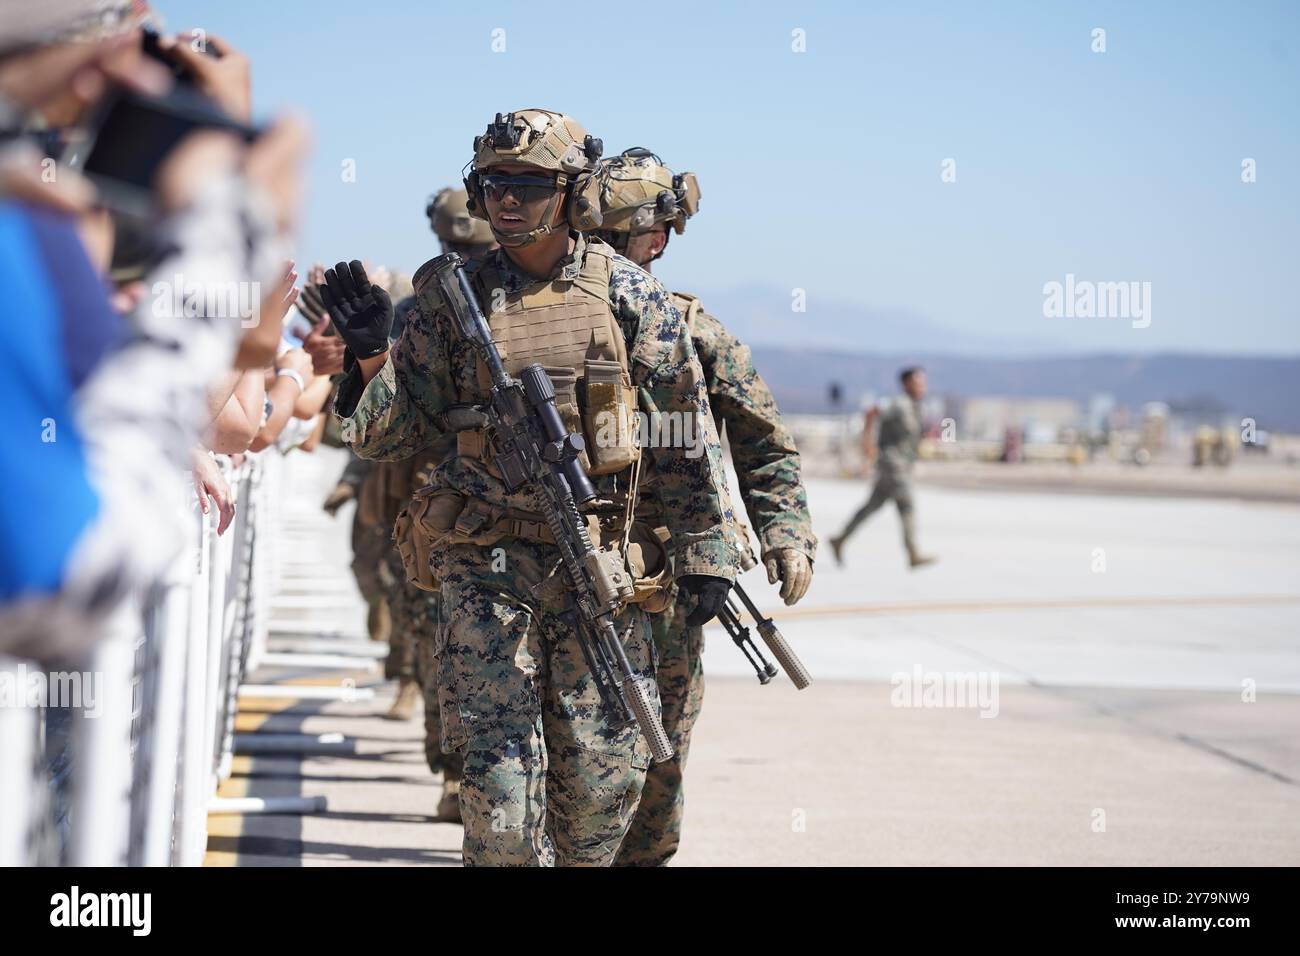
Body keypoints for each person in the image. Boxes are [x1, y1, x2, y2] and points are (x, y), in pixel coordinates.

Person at [324, 108, 737, 866]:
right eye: (494, 184)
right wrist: (369, 359)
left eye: (528, 184)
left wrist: (707, 552)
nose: (507, 200)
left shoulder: (631, 298)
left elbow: (683, 433)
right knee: (502, 812)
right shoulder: (451, 300)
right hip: (486, 570)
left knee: (596, 805)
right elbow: (388, 434)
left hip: (601, 570)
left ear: (571, 192)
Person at [591, 147, 815, 865]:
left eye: (615, 237)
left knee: (661, 748)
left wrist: (785, 533)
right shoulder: (546, 326)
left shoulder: (692, 331)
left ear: (654, 240)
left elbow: (762, 442)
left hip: (664, 580)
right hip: (559, 566)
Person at [828, 366, 937, 568]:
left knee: (871, 506)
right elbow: (871, 411)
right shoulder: (899, 404)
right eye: (918, 382)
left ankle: (840, 539)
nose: (923, 386)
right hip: (893, 465)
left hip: (901, 465)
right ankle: (913, 553)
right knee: (907, 505)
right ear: (906, 384)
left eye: (924, 382)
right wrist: (867, 442)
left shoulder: (916, 407)